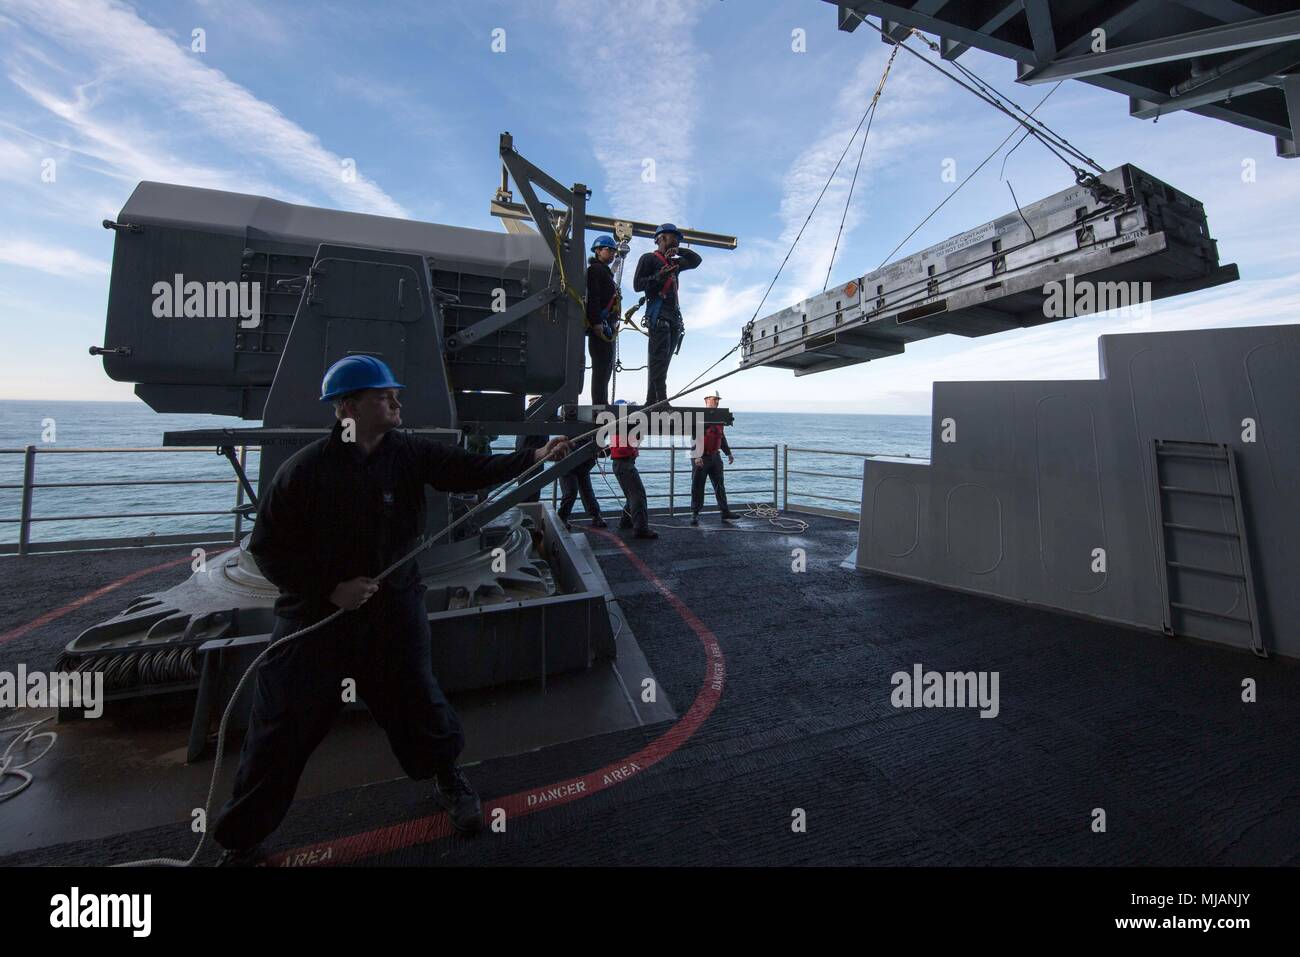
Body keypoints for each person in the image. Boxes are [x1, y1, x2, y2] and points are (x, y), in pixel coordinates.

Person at [212, 356, 570, 866]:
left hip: (393, 609)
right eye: (385, 396)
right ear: (347, 407)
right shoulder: (305, 472)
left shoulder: (408, 452)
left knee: (418, 703)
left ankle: (447, 778)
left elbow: (467, 471)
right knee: (281, 725)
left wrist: (534, 456)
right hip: (317, 620)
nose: (398, 402)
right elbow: (268, 550)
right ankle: (241, 834)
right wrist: (329, 590)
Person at [633, 224, 701, 407]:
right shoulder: (648, 259)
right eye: (674, 238)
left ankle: (651, 400)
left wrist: (679, 251)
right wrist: (659, 276)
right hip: (659, 315)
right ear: (661, 238)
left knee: (663, 362)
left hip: (673, 318)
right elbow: (637, 285)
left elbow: (696, 260)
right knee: (658, 360)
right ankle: (661, 400)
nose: (677, 241)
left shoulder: (674, 263)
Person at [608, 399, 657, 540]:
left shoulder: (618, 425)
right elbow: (637, 439)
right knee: (638, 495)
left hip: (621, 464)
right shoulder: (624, 426)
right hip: (624, 464)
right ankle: (640, 528)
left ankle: (626, 521)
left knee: (632, 495)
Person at [691, 390, 740, 526]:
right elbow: (695, 437)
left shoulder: (719, 417)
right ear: (706, 400)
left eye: (718, 399)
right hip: (701, 457)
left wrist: (728, 453)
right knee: (698, 486)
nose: (717, 402)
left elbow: (721, 437)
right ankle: (694, 514)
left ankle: (725, 512)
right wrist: (697, 456)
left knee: (719, 485)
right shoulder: (699, 416)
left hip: (715, 456)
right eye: (714, 399)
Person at [585, 235, 619, 406]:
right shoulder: (595, 270)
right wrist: (597, 322)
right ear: (598, 251)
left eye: (613, 250)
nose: (612, 253)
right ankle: (599, 403)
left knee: (605, 367)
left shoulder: (604, 272)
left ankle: (601, 401)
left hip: (606, 326)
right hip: (601, 326)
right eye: (609, 250)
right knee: (601, 368)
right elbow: (594, 297)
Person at [557, 434, 607, 531]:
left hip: (584, 465)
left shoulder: (597, 433)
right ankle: (562, 518)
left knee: (587, 491)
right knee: (571, 492)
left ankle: (595, 515)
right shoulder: (578, 431)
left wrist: (602, 451)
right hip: (568, 464)